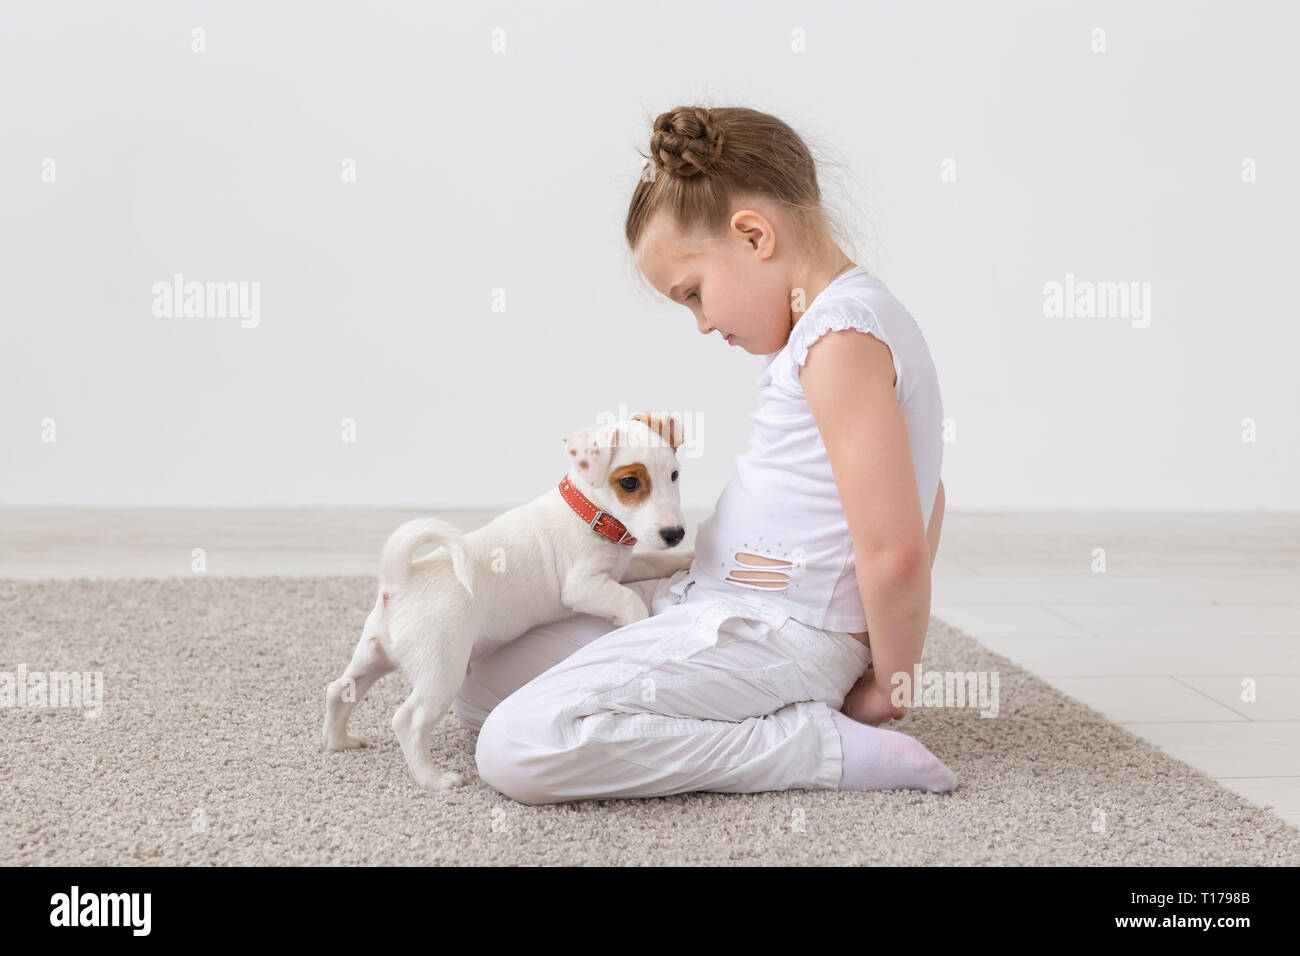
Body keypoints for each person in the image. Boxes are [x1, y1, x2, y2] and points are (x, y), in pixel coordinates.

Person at [453, 105, 956, 804]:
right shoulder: (834, 328)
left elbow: (898, 547)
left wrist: (887, 683)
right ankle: (738, 712)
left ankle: (813, 745)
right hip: (711, 600)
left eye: (694, 294)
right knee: (471, 679)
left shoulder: (839, 339)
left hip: (775, 631)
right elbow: (929, 496)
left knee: (517, 746)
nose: (703, 323)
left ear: (753, 235)